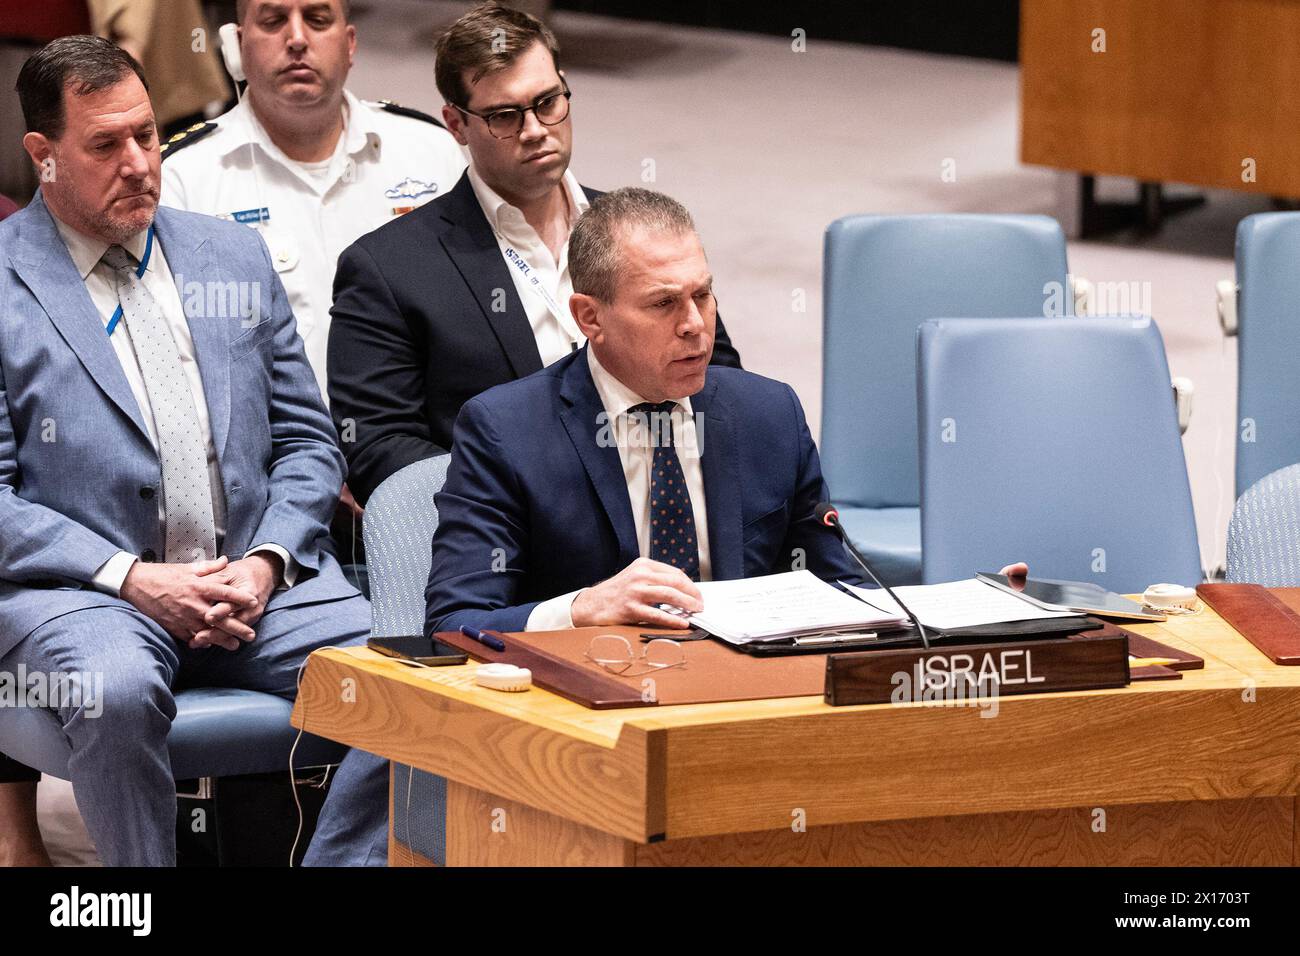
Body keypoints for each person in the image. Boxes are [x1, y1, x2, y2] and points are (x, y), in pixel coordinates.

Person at [0, 35, 387, 866]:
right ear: (44, 155)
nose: (139, 162)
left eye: (146, 134)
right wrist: (132, 579)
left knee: (405, 684)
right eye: (105, 144)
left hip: (256, 583)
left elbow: (309, 443)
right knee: (114, 692)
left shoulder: (231, 256)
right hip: (85, 595)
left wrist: (269, 561)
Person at [424, 188, 1028, 635]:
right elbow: (453, 624)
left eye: (703, 295)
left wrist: (972, 612)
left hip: (748, 702)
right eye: (663, 304)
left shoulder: (768, 414)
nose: (694, 325)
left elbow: (837, 588)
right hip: (593, 714)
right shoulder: (507, 431)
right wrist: (580, 610)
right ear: (590, 318)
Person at [327, 2, 742, 506]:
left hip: (666, 502)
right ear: (456, 125)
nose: (534, 129)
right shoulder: (389, 269)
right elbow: (377, 445)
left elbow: (718, 375)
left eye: (548, 103)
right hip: (512, 537)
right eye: (504, 116)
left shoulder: (643, 229)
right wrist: (530, 489)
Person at [161, 0, 466, 409]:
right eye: (272, 21)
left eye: (318, 20)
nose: (298, 39)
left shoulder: (431, 152)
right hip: (272, 452)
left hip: (419, 438)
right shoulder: (184, 180)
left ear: (350, 43)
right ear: (235, 46)